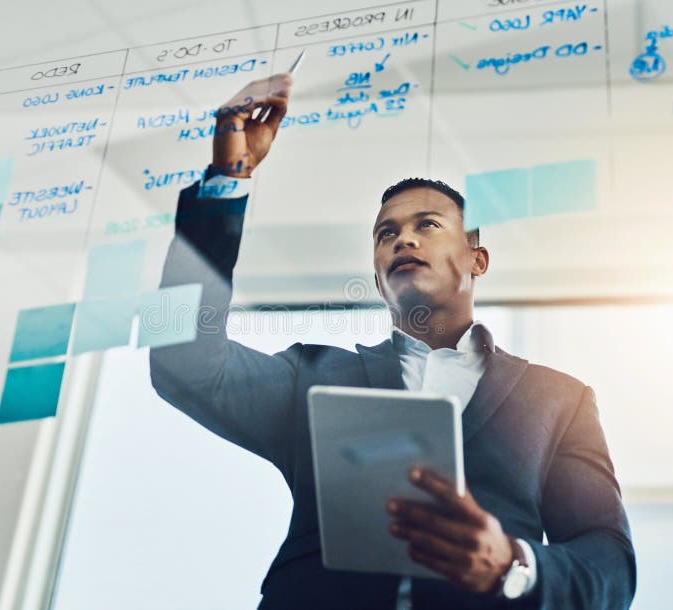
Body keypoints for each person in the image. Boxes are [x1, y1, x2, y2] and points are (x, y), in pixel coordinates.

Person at [148, 72, 636, 609]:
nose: (403, 237)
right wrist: (225, 181)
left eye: (428, 225)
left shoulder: (560, 400)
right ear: (379, 277)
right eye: (386, 233)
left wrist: (511, 563)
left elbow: (608, 563)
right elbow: (178, 359)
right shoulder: (311, 378)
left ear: (478, 259)